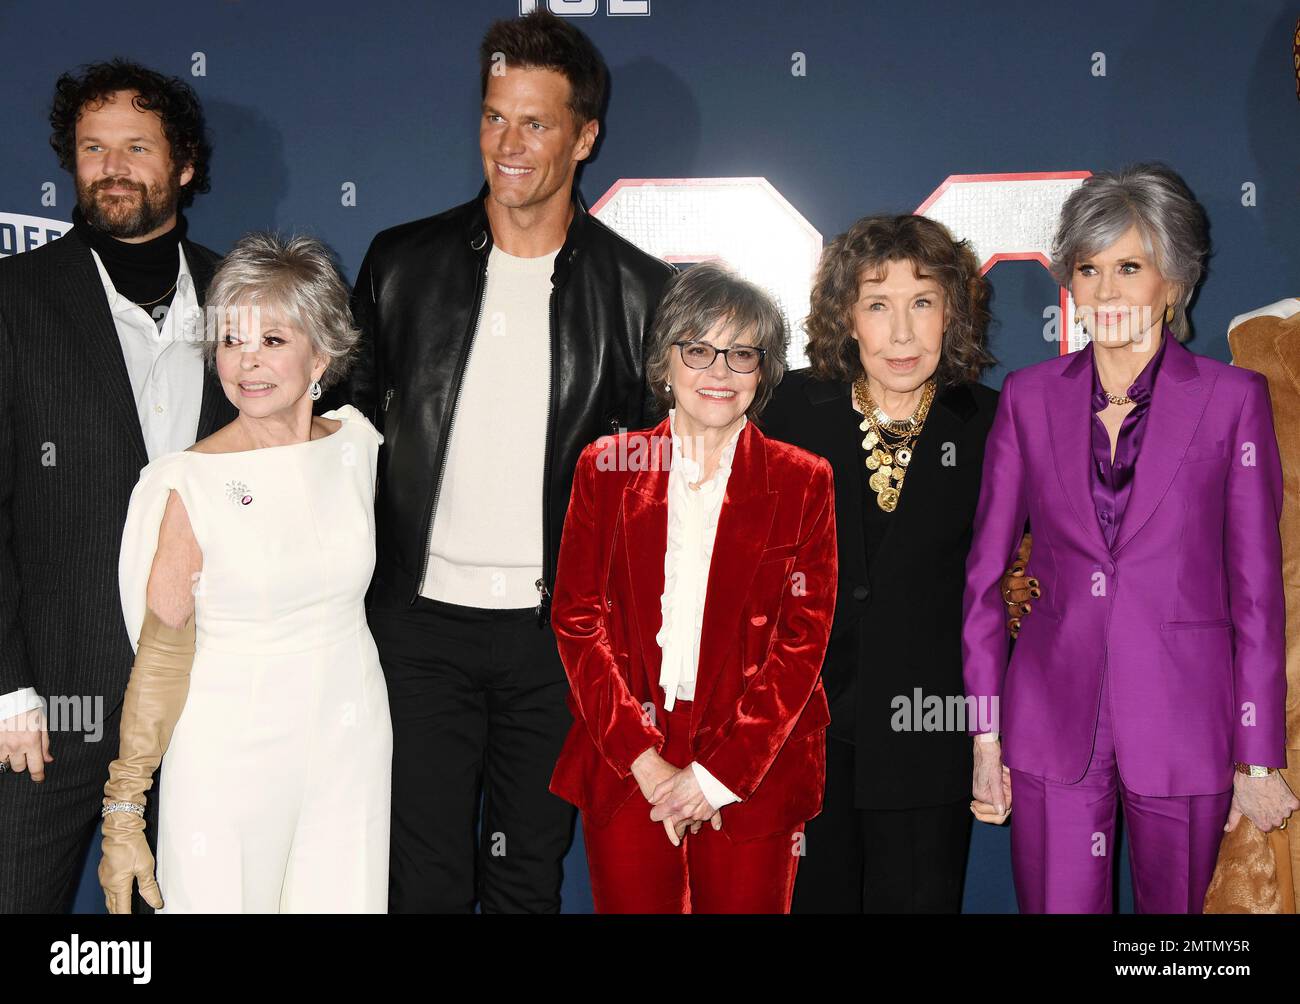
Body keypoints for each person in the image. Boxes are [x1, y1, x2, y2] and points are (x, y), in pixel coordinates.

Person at [340, 9, 674, 913]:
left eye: (536, 122)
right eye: (495, 116)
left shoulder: (644, 294)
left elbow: (662, 492)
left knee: (528, 876)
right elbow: (342, 435)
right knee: (423, 879)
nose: (509, 144)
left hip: (557, 641)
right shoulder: (401, 264)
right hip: (418, 632)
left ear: (585, 136)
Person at [962, 163, 1299, 913]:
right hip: (1051, 721)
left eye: (1130, 267)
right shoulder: (1028, 398)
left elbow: (1256, 592)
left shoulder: (1231, 400)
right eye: (1089, 268)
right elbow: (984, 580)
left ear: (1173, 281)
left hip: (1187, 721)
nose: (1106, 291)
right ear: (1070, 283)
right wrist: (985, 737)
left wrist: (1257, 752)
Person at [0, 59, 233, 913]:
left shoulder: (242, 301)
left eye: (138, 146)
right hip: (48, 713)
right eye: (93, 147)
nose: (114, 166)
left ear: (185, 166)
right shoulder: (13, 298)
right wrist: (5, 686)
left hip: (205, 698)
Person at [99, 233, 392, 913]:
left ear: (321, 353)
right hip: (227, 758)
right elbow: (161, 661)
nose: (247, 362)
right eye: (231, 340)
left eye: (272, 340)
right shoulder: (188, 484)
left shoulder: (357, 445)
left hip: (350, 743)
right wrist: (124, 811)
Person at [549, 262, 837, 913]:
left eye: (741, 354)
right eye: (698, 349)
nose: (719, 372)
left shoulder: (803, 480)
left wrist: (718, 776)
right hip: (627, 748)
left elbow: (803, 642)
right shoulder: (608, 467)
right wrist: (643, 760)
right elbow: (576, 620)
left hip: (753, 757)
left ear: (763, 371)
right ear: (666, 359)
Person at [760, 214, 1002, 912]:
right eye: (878, 305)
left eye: (922, 303)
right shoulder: (785, 412)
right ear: (847, 317)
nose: (901, 333)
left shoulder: (992, 421)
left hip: (931, 738)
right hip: (801, 737)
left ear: (952, 312)